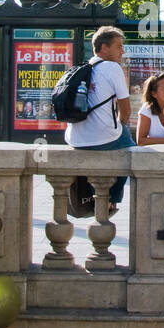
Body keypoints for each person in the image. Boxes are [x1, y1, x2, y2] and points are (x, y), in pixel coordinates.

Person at [65, 26, 133, 214]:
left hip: (74, 138)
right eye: (119, 46)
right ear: (104, 48)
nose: (122, 51)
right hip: (102, 138)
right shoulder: (112, 68)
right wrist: (118, 126)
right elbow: (126, 111)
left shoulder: (82, 68)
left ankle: (91, 192)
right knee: (131, 149)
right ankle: (112, 198)